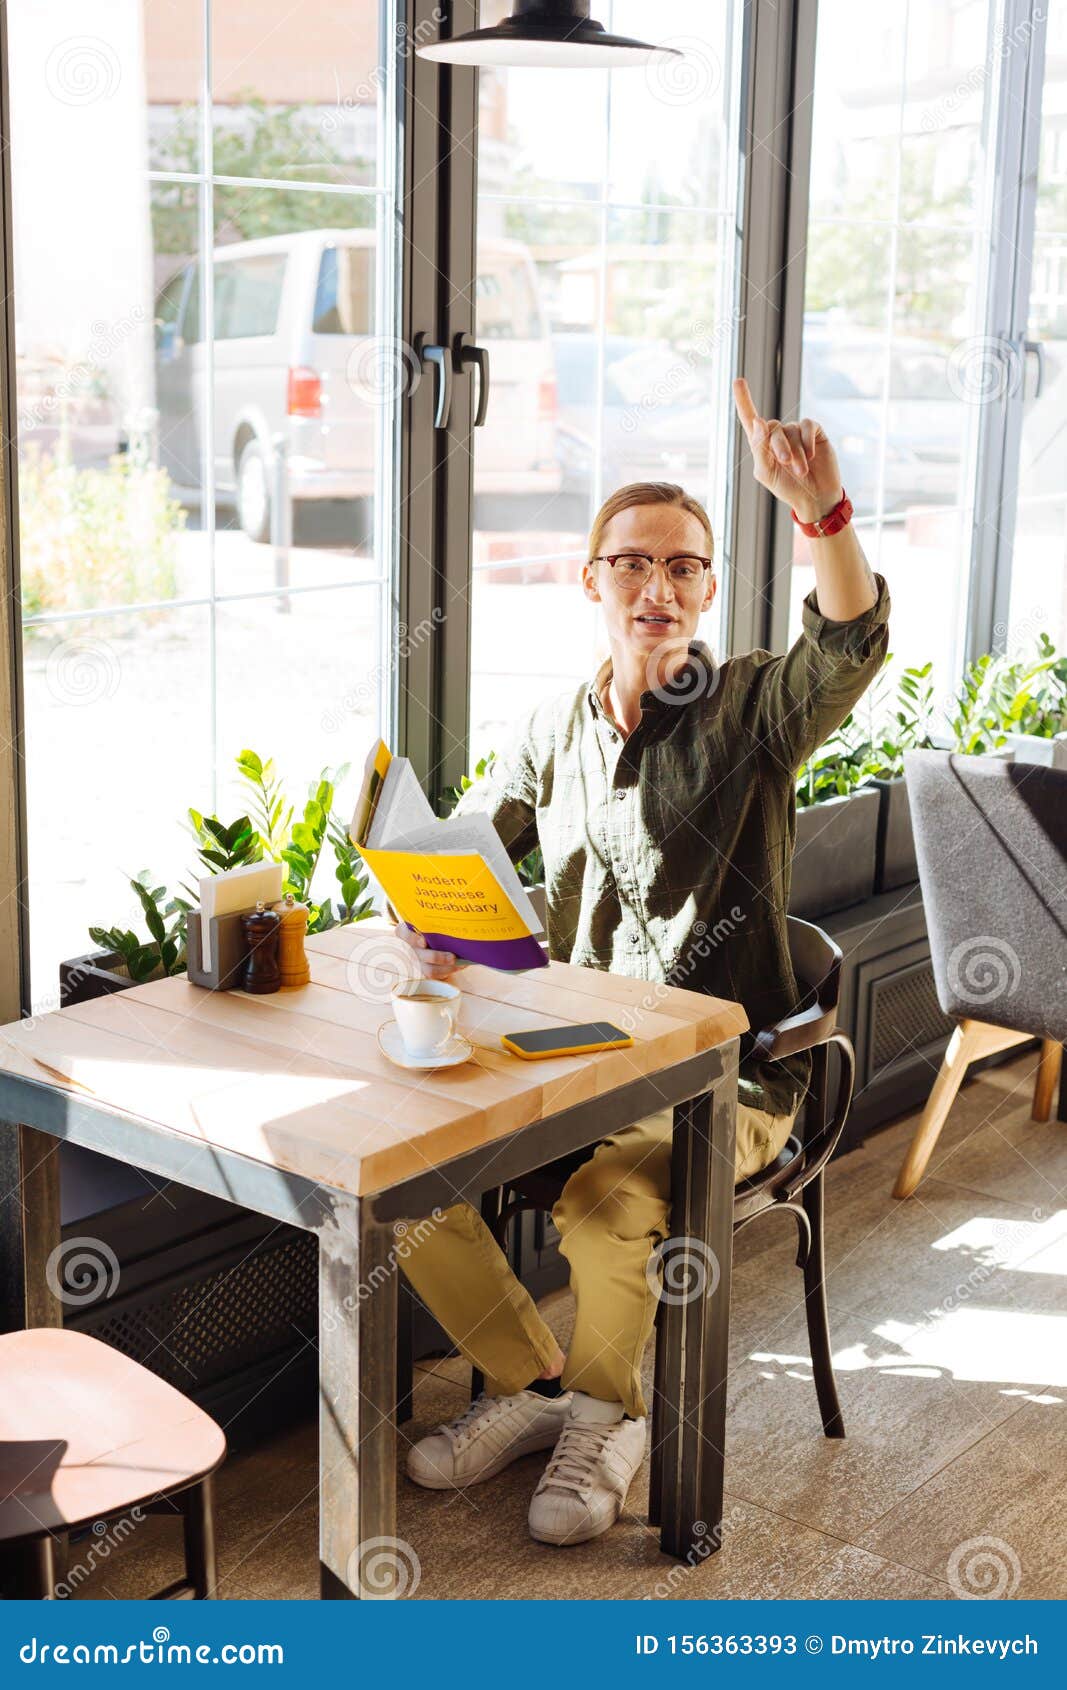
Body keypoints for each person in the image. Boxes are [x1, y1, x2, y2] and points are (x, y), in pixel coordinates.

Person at [391, 376, 890, 1547]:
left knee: (609, 1195)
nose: (656, 584)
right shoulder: (548, 729)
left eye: (683, 565)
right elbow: (464, 855)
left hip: (730, 1086)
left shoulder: (750, 710)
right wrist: (422, 915)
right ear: (591, 579)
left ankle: (606, 1419)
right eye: (632, 561)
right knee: (397, 1185)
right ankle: (543, 1384)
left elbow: (849, 644)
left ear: (708, 589)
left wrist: (821, 513)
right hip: (562, 1063)